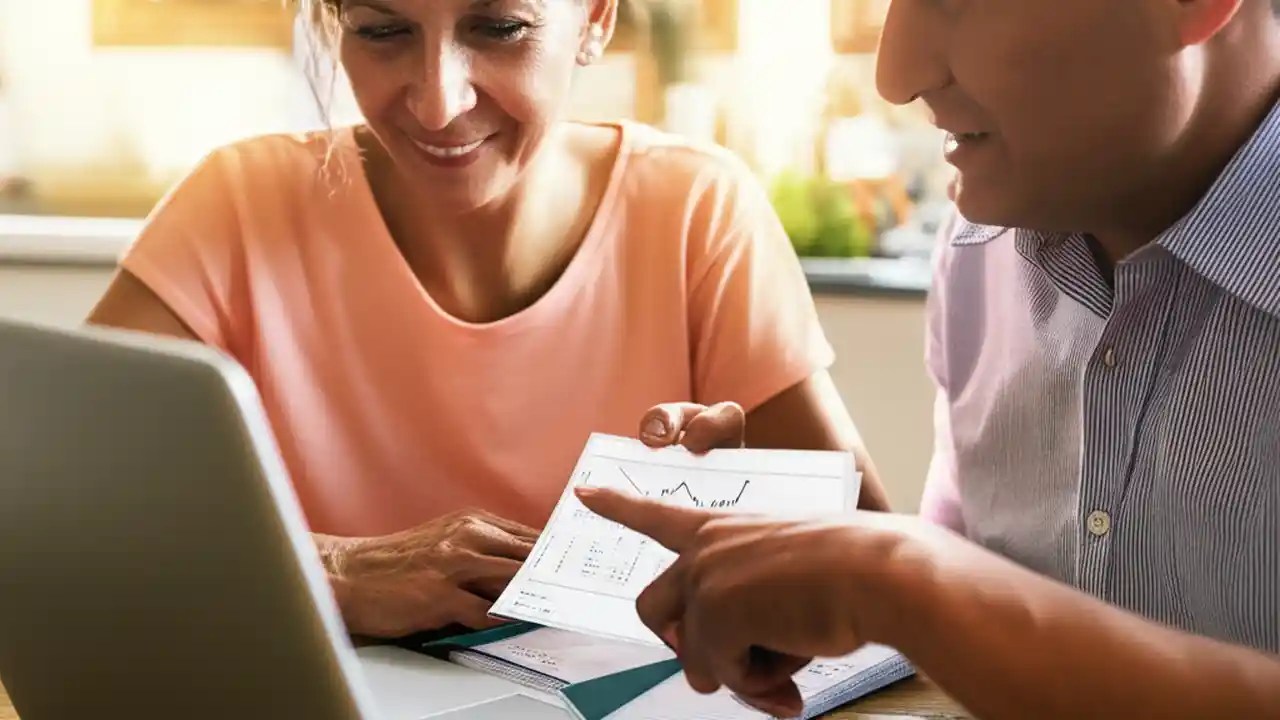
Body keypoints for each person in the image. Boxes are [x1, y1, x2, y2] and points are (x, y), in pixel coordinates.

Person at [87, 0, 889, 639]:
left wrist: (757, 505)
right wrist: (324, 568)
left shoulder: (695, 210)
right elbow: (52, 502)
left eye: (499, 28)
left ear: (596, 19)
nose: (439, 102)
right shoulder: (237, 204)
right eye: (382, 31)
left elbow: (880, 579)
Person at [579, 0, 1280, 717]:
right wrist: (800, 559)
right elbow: (952, 615)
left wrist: (902, 581)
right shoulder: (984, 250)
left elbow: (934, 588)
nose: (894, 74)